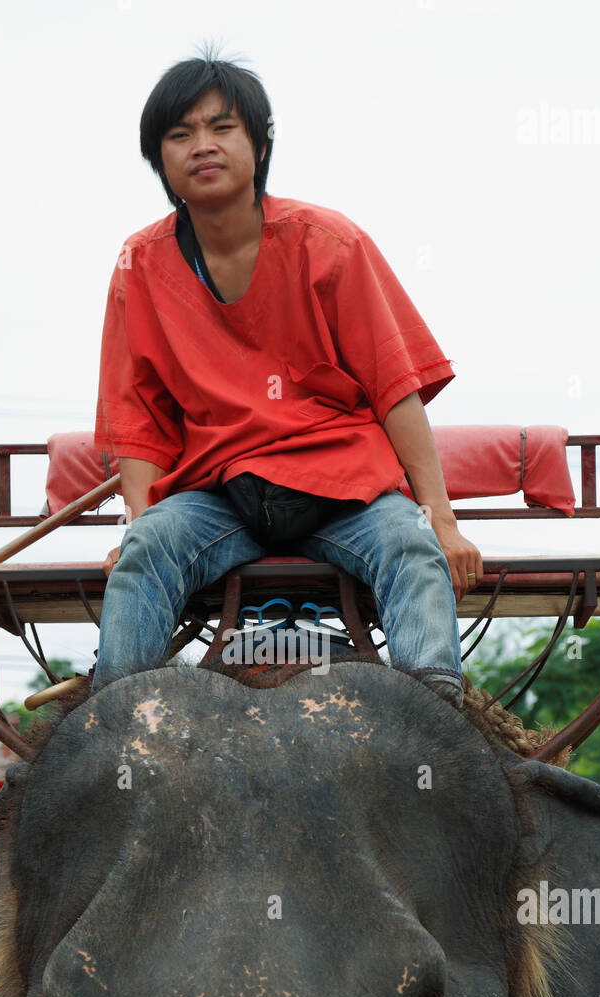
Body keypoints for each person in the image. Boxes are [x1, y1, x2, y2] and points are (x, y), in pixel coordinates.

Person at [91, 50, 483, 707]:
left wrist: (440, 519)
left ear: (261, 144)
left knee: (411, 550)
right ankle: (112, 722)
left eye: (223, 127)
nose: (202, 146)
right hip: (220, 491)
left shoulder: (328, 241)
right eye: (179, 134)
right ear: (158, 158)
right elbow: (138, 417)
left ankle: (438, 720)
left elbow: (395, 386)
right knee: (149, 547)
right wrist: (135, 523)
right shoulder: (141, 263)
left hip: (342, 486)